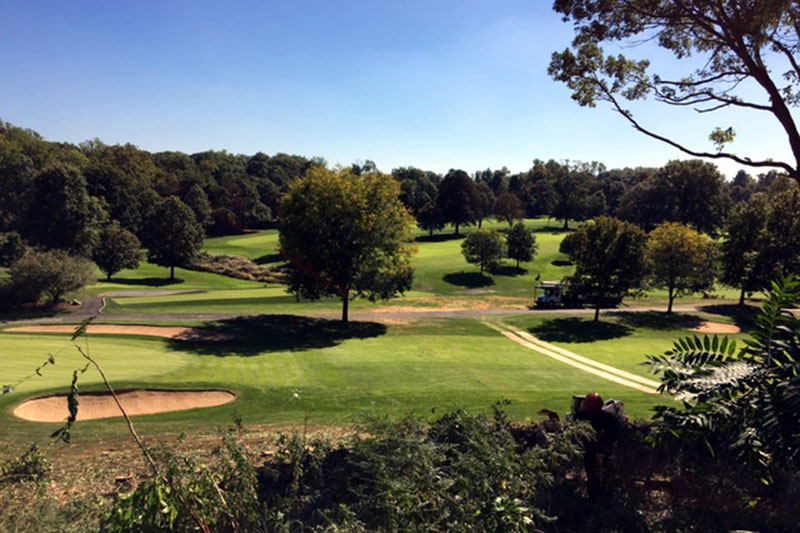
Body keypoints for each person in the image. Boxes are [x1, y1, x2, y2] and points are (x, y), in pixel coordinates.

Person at [574, 392, 621, 502]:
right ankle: (602, 498)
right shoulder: (608, 418)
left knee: (593, 476)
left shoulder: (581, 416)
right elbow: (615, 434)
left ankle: (593, 499)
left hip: (589, 452)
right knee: (604, 476)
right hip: (603, 452)